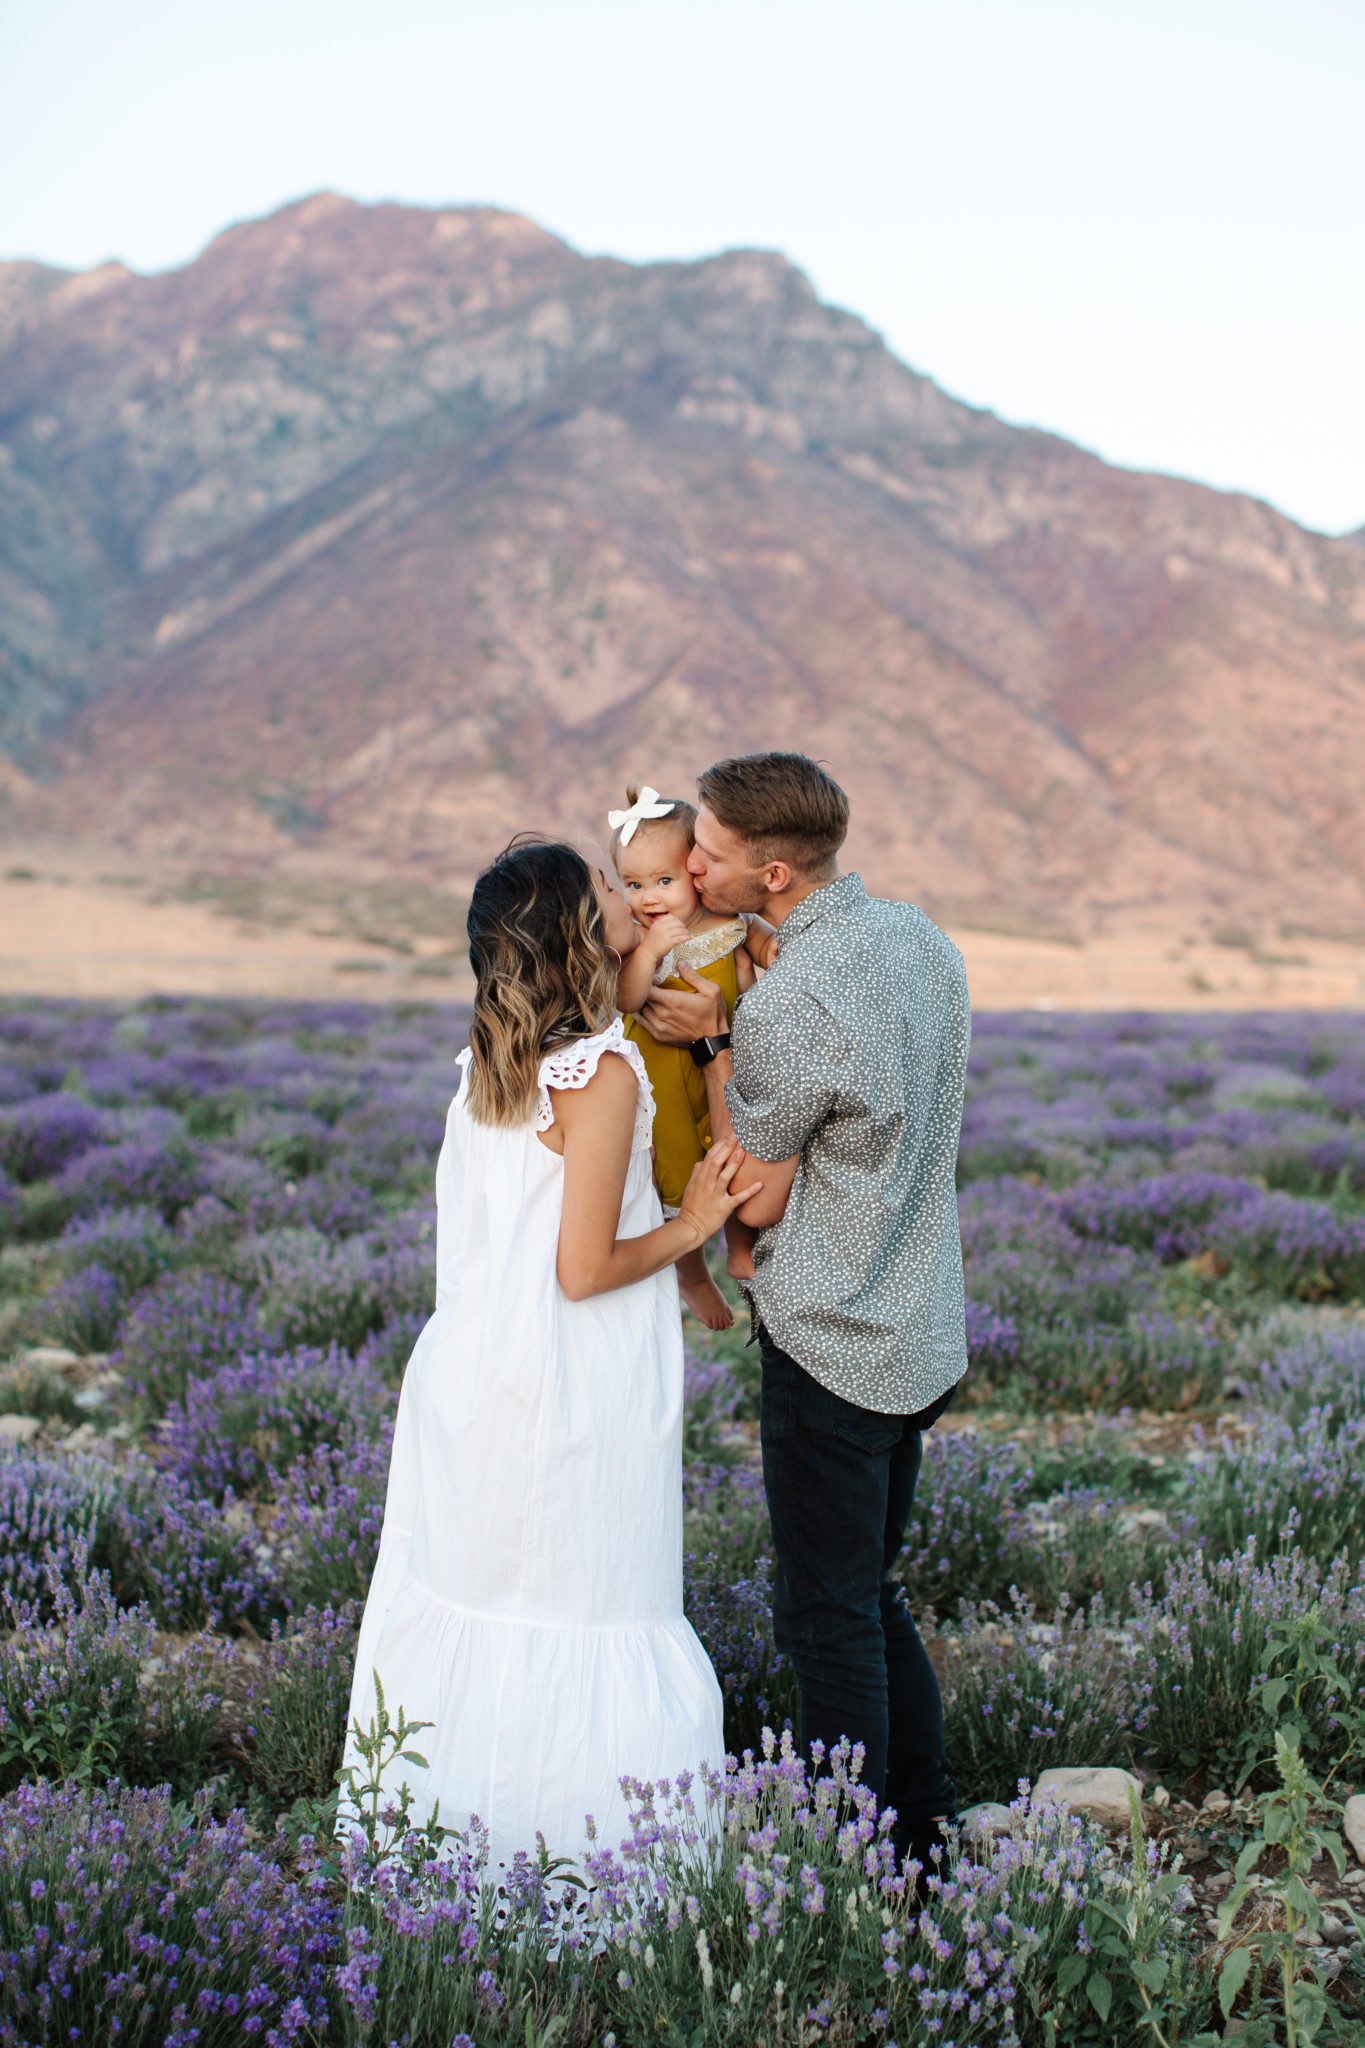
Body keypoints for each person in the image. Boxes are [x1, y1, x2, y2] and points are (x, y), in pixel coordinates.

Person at [342, 839, 753, 1876]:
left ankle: (457, 1871)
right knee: (587, 1602)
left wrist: (663, 933)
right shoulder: (601, 1073)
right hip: (566, 1386)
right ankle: (589, 1883)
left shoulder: (499, 1054)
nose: (632, 897)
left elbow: (647, 962)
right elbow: (582, 1268)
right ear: (578, 932)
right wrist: (693, 1221)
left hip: (472, 1381)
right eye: (611, 890)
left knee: (494, 1606)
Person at [636, 753, 970, 1874]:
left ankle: (855, 1871)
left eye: (712, 853)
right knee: (870, 1596)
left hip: (833, 1332)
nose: (692, 862)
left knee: (825, 1619)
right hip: (919, 1320)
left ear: (772, 872)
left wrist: (716, 1041)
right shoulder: (921, 938)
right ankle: (924, 1837)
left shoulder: (789, 1002)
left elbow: (757, 1187)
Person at [609, 783, 776, 1330]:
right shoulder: (637, 937)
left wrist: (779, 950)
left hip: (724, 1073)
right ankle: (691, 1272)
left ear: (696, 871)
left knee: (733, 1155)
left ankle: (739, 1244)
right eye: (633, 884)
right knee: (674, 1174)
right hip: (659, 1088)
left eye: (664, 881)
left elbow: (772, 949)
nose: (648, 897)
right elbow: (626, 999)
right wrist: (652, 948)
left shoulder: (733, 924)